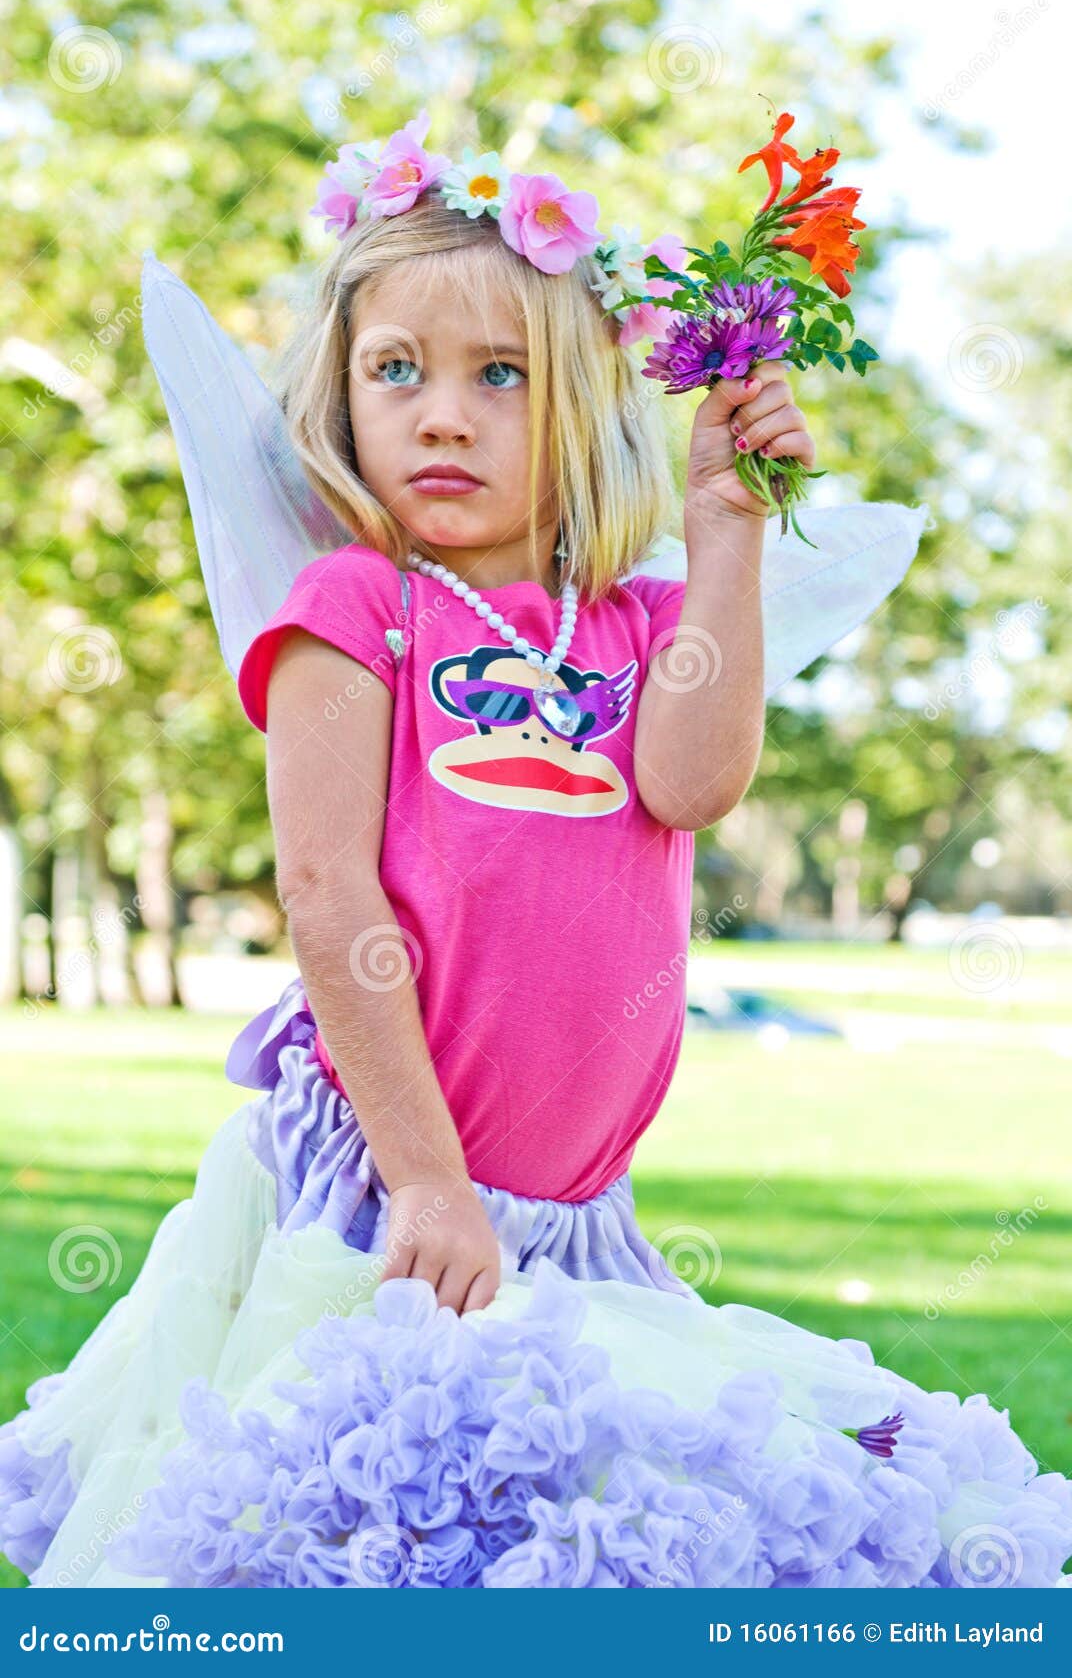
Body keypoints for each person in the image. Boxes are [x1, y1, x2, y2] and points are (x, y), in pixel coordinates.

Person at [2, 112, 1069, 1590]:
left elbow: (693, 784)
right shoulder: (359, 607)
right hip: (381, 1191)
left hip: (577, 1225)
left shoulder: (637, 627)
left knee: (567, 1551)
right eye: (399, 372)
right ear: (345, 398)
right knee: (348, 1548)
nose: (444, 415)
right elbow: (327, 894)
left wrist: (726, 537)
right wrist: (427, 1179)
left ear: (577, 404)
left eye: (499, 375)